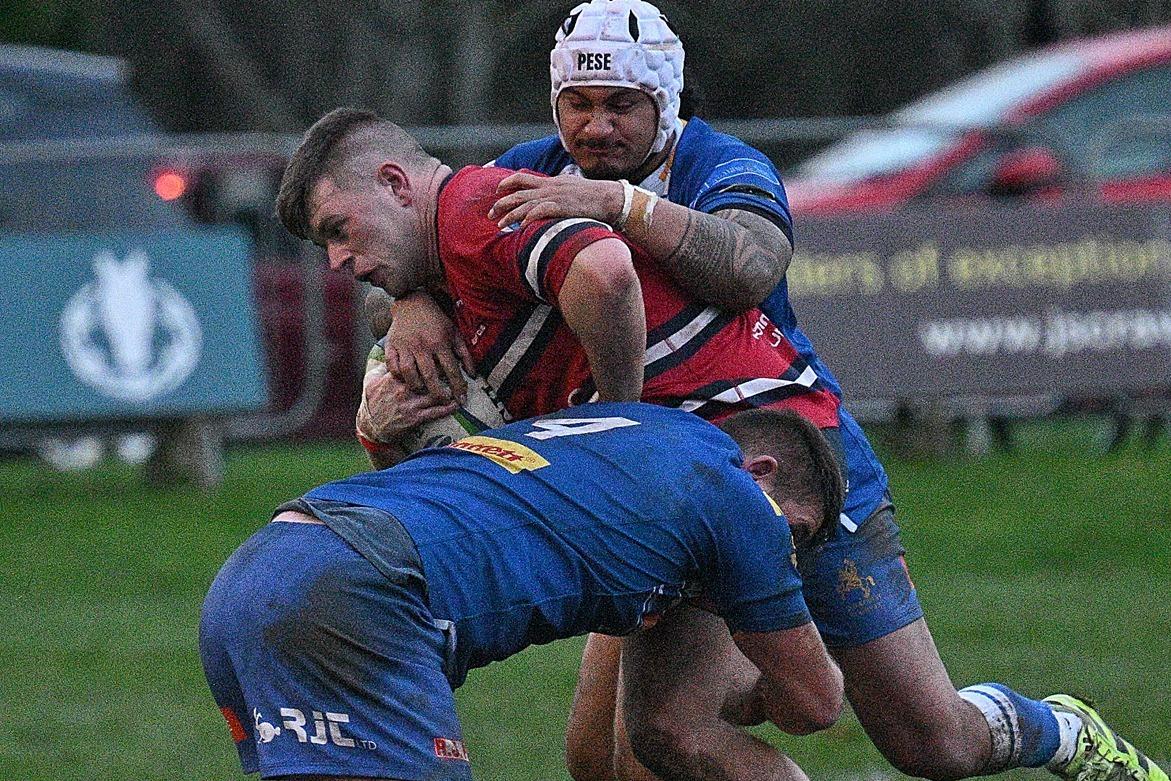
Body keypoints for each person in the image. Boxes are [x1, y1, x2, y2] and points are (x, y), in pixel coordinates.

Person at [359, 3, 1169, 781]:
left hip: (797, 460)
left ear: (665, 101)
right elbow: (416, 244)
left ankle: (1059, 728)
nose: (595, 126)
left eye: (620, 105)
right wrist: (410, 302)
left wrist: (620, 205)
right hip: (680, 482)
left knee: (933, 741)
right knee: (614, 755)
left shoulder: (718, 162)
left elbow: (750, 264)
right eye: (578, 103)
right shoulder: (526, 172)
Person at [200, 402, 847, 781]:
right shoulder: (732, 492)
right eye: (795, 531)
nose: (783, 554)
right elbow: (815, 702)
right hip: (358, 593)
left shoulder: (634, 435)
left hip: (254, 573)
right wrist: (755, 686)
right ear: (759, 470)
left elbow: (592, 755)